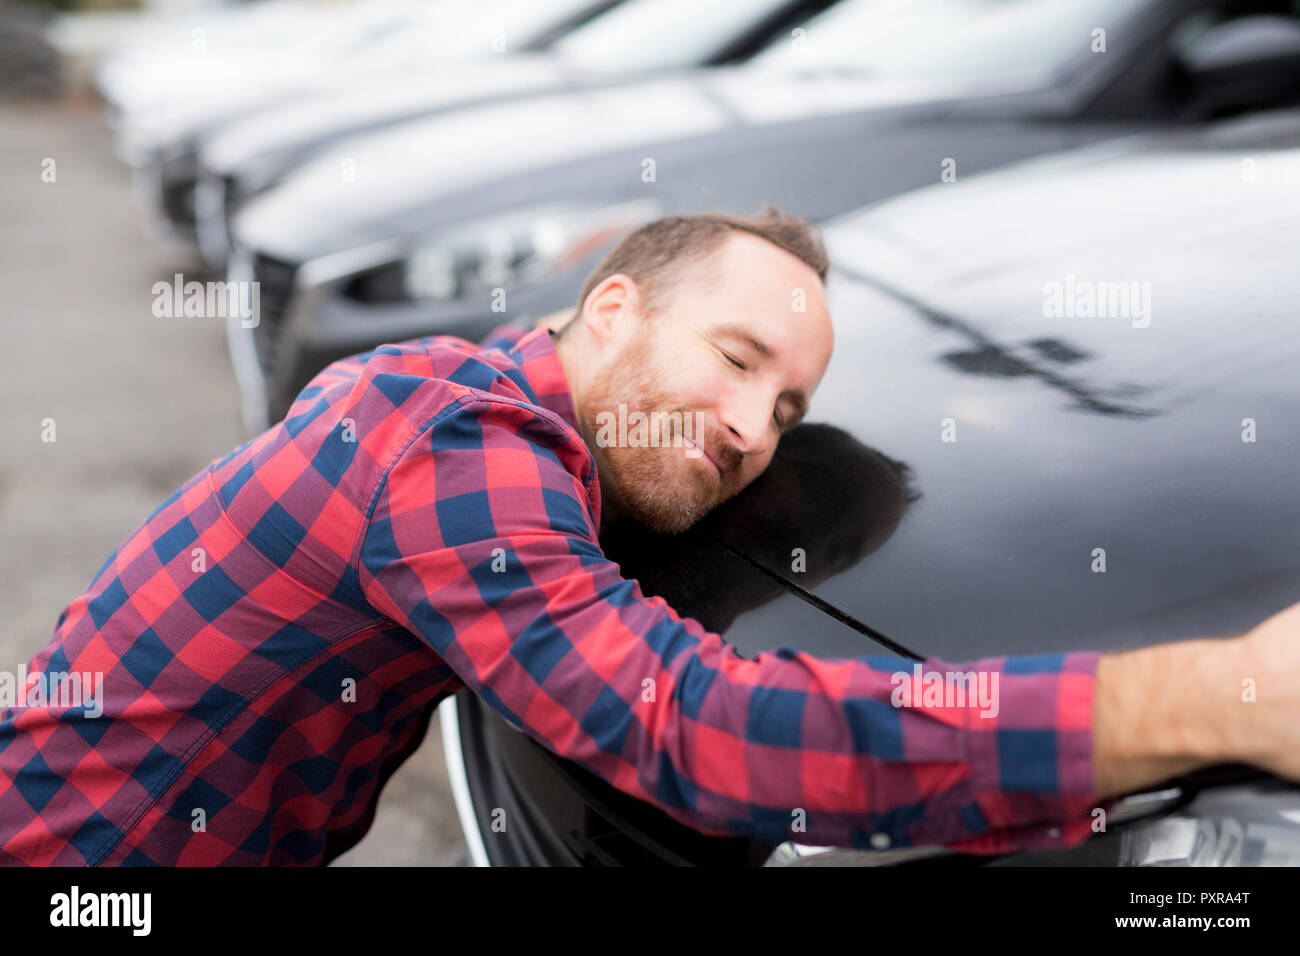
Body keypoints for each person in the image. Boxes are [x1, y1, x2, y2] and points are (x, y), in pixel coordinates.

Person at [2, 208, 1298, 865]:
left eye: (789, 408)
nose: (750, 430)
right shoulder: (449, 453)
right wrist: (1214, 696)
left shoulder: (470, 398)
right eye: (734, 360)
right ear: (611, 307)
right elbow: (700, 732)